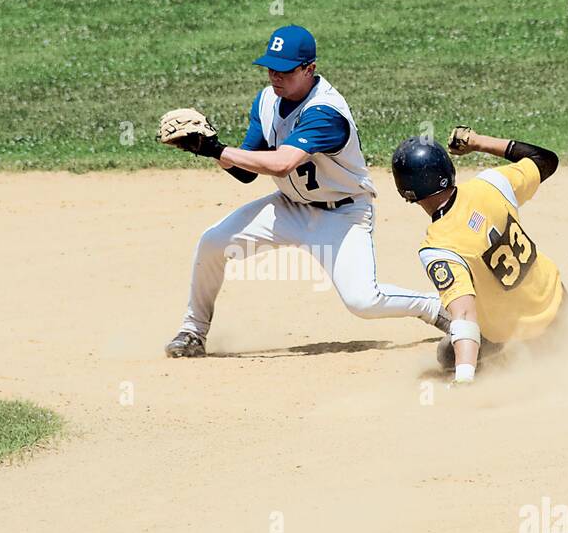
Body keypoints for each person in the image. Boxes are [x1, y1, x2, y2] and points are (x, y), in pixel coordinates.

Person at [160, 24, 449, 357]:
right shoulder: (267, 100)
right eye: (270, 68)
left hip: (343, 215)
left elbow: (282, 163)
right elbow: (245, 172)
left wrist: (214, 149)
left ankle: (434, 308)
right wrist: (208, 147)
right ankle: (193, 331)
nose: (275, 76)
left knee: (363, 301)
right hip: (290, 207)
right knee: (213, 242)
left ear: (309, 69)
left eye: (284, 70)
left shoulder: (325, 111)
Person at [390, 127, 566, 384]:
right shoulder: (491, 183)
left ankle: (504, 363)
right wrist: (478, 142)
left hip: (524, 334)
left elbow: (463, 315)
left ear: (407, 193)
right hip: (559, 300)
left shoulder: (438, 246)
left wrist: (464, 379)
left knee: (449, 355)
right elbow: (545, 160)